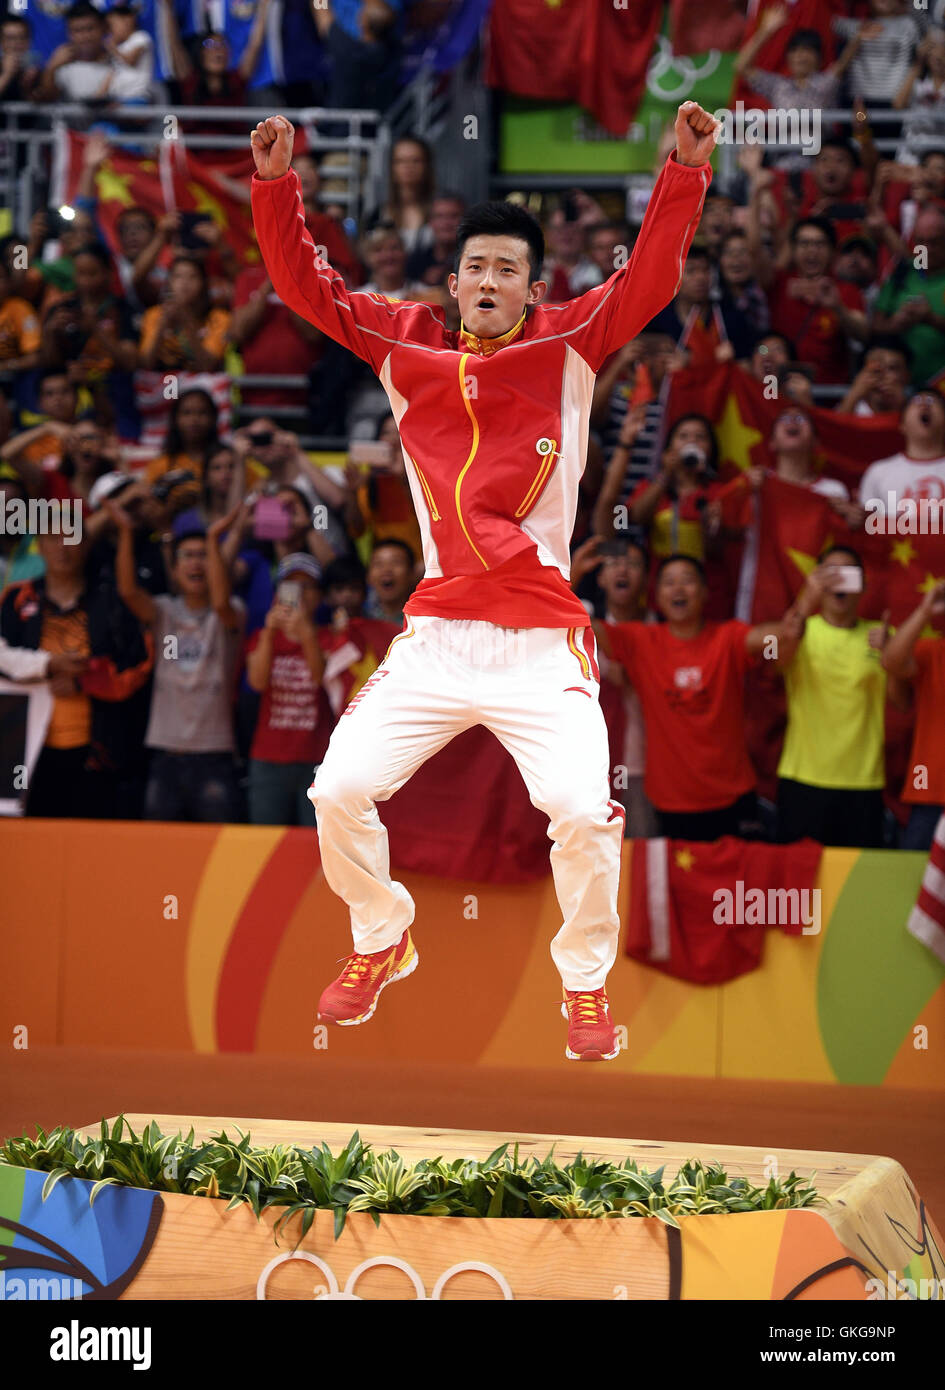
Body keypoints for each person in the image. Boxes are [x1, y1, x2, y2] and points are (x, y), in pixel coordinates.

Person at [250, 102, 718, 1060]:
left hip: (540, 647)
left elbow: (654, 275)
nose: (490, 280)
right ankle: (382, 936)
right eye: (476, 267)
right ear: (453, 281)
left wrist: (683, 168)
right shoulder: (404, 342)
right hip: (436, 639)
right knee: (337, 788)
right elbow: (305, 288)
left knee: (583, 811)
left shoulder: (570, 342)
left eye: (509, 268)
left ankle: (582, 988)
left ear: (532, 287)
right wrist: (274, 187)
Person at [595, 554, 803, 841]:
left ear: (705, 593)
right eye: (669, 583)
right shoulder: (640, 641)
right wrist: (568, 577)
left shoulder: (728, 637)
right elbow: (583, 628)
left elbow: (770, 640)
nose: (678, 589)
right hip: (670, 801)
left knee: (733, 886)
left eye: (688, 581)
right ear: (657, 595)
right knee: (677, 885)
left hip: (732, 796)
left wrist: (792, 626)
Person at [0, 529, 153, 818]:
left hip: (99, 751)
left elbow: (140, 663)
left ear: (86, 545)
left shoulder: (112, 600)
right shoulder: (16, 598)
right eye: (52, 538)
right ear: (39, 547)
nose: (62, 547)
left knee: (93, 845)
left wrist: (85, 681)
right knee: (30, 842)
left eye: (71, 538)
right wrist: (48, 664)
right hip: (26, 753)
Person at [109, 503, 246, 823]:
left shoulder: (230, 613)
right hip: (165, 755)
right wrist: (127, 532)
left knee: (217, 851)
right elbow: (128, 591)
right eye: (187, 556)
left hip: (215, 755)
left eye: (203, 556)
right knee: (159, 853)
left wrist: (215, 539)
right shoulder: (163, 610)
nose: (196, 563)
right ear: (173, 568)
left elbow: (221, 601)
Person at [776, 547, 901, 848]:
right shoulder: (799, 629)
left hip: (862, 782)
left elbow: (900, 702)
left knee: (854, 888)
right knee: (800, 885)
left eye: (847, 574)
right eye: (829, 573)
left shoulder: (882, 634)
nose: (839, 582)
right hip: (802, 780)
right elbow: (774, 659)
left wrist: (890, 658)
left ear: (863, 586)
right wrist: (807, 600)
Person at [245, 553, 331, 826]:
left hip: (318, 759)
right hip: (269, 759)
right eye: (292, 587)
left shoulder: (330, 637)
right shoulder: (262, 636)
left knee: (315, 842)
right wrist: (271, 633)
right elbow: (257, 682)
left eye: (308, 587)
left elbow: (321, 679)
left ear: (319, 596)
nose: (300, 595)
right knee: (265, 841)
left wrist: (306, 634)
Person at [882, 581, 945, 849]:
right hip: (932, 794)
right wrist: (924, 610)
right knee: (915, 885)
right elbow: (891, 661)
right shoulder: (934, 650)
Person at [872, 204, 945, 384]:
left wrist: (930, 319)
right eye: (920, 241)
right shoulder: (903, 272)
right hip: (899, 387)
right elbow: (874, 327)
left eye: (934, 242)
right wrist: (895, 325)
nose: (926, 249)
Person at [138, 256, 230, 374]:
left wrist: (186, 321)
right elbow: (146, 363)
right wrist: (163, 324)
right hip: (163, 383)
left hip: (201, 384)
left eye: (193, 276)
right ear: (169, 282)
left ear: (203, 283)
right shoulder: (154, 314)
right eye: (178, 276)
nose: (184, 283)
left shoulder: (219, 318)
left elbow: (207, 366)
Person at [859, 390, 945, 513]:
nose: (924, 405)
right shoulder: (878, 472)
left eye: (931, 401)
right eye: (916, 401)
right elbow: (866, 526)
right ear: (902, 425)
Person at [38, 2, 111, 102]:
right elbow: (47, 98)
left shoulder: (117, 61)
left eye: (90, 29)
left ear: (103, 29)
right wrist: (51, 69)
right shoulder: (61, 65)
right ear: (69, 34)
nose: (85, 36)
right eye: (78, 31)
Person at [364, 536, 416, 625]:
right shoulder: (362, 620)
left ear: (412, 573)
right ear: (368, 576)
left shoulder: (424, 621)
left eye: (396, 562)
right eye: (378, 563)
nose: (386, 569)